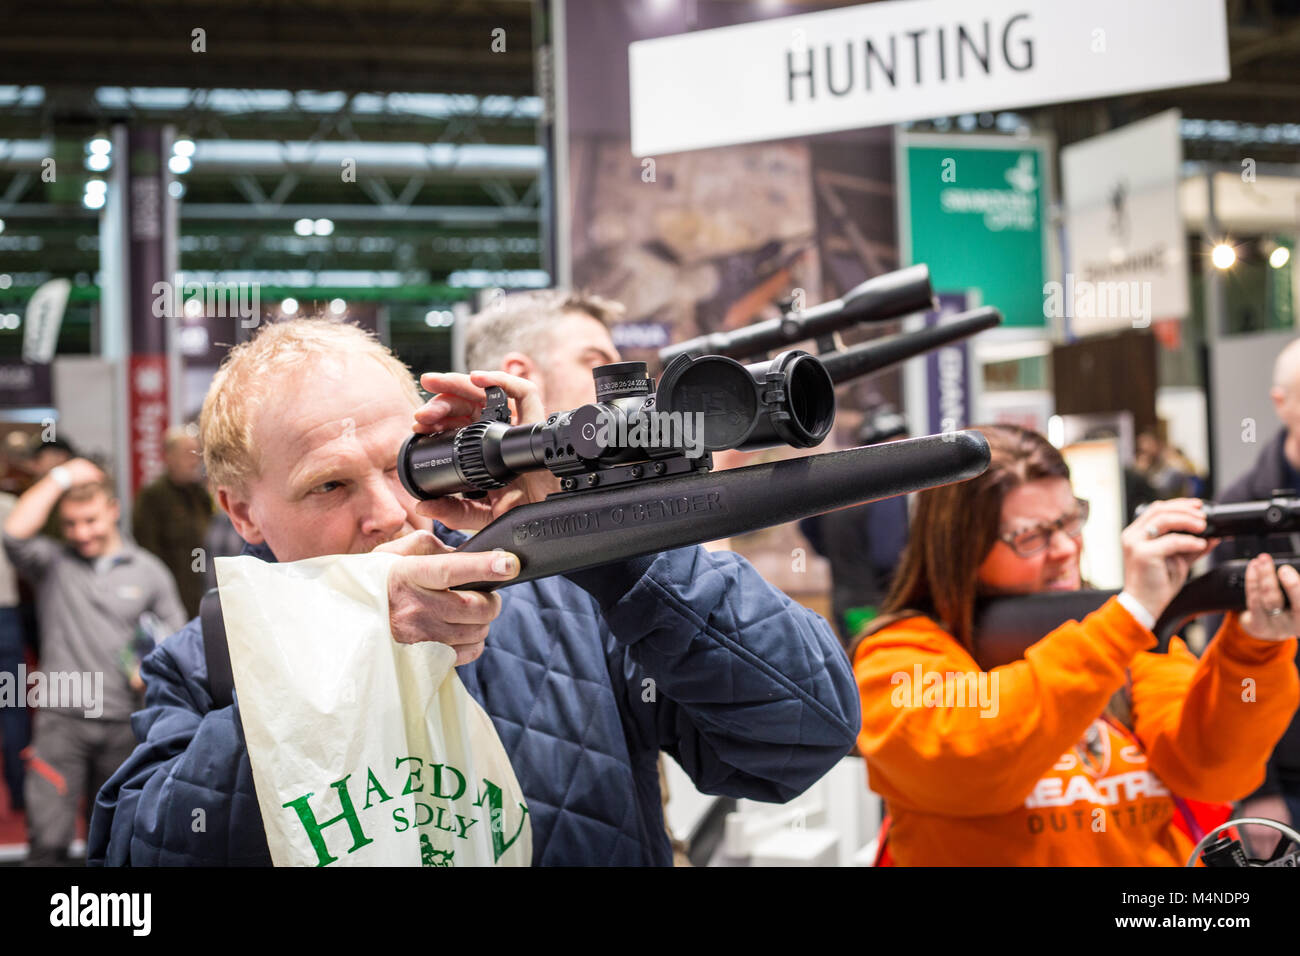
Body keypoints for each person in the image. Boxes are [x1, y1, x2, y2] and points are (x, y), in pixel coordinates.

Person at [88, 317, 859, 866]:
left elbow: (803, 736)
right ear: (242, 511)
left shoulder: (567, 602)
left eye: (401, 464)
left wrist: (605, 547)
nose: (386, 513)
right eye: (328, 485)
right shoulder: (211, 661)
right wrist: (336, 651)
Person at [852, 424, 1299, 866]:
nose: (1066, 548)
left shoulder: (1122, 636)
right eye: (1031, 536)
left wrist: (1254, 648)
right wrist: (1127, 621)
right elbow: (974, 760)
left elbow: (1212, 773)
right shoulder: (898, 655)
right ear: (958, 548)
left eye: (1071, 520)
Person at [3, 459, 186, 864]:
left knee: (112, 845)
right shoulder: (53, 564)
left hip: (125, 722)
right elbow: (13, 533)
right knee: (46, 844)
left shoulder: (149, 572)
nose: (81, 533)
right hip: (60, 723)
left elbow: (175, 639)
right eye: (70, 524)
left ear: (113, 510)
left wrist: (148, 664)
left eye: (90, 520)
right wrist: (61, 476)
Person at [1212, 338, 1300, 837]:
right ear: (1280, 402)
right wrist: (1257, 786)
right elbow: (1226, 662)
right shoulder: (1242, 508)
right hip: (1286, 773)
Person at [133, 424, 214, 618]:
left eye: (196, 454)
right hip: (172, 599)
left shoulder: (201, 495)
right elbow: (147, 552)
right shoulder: (153, 497)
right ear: (169, 457)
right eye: (187, 454)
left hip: (203, 594)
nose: (194, 461)